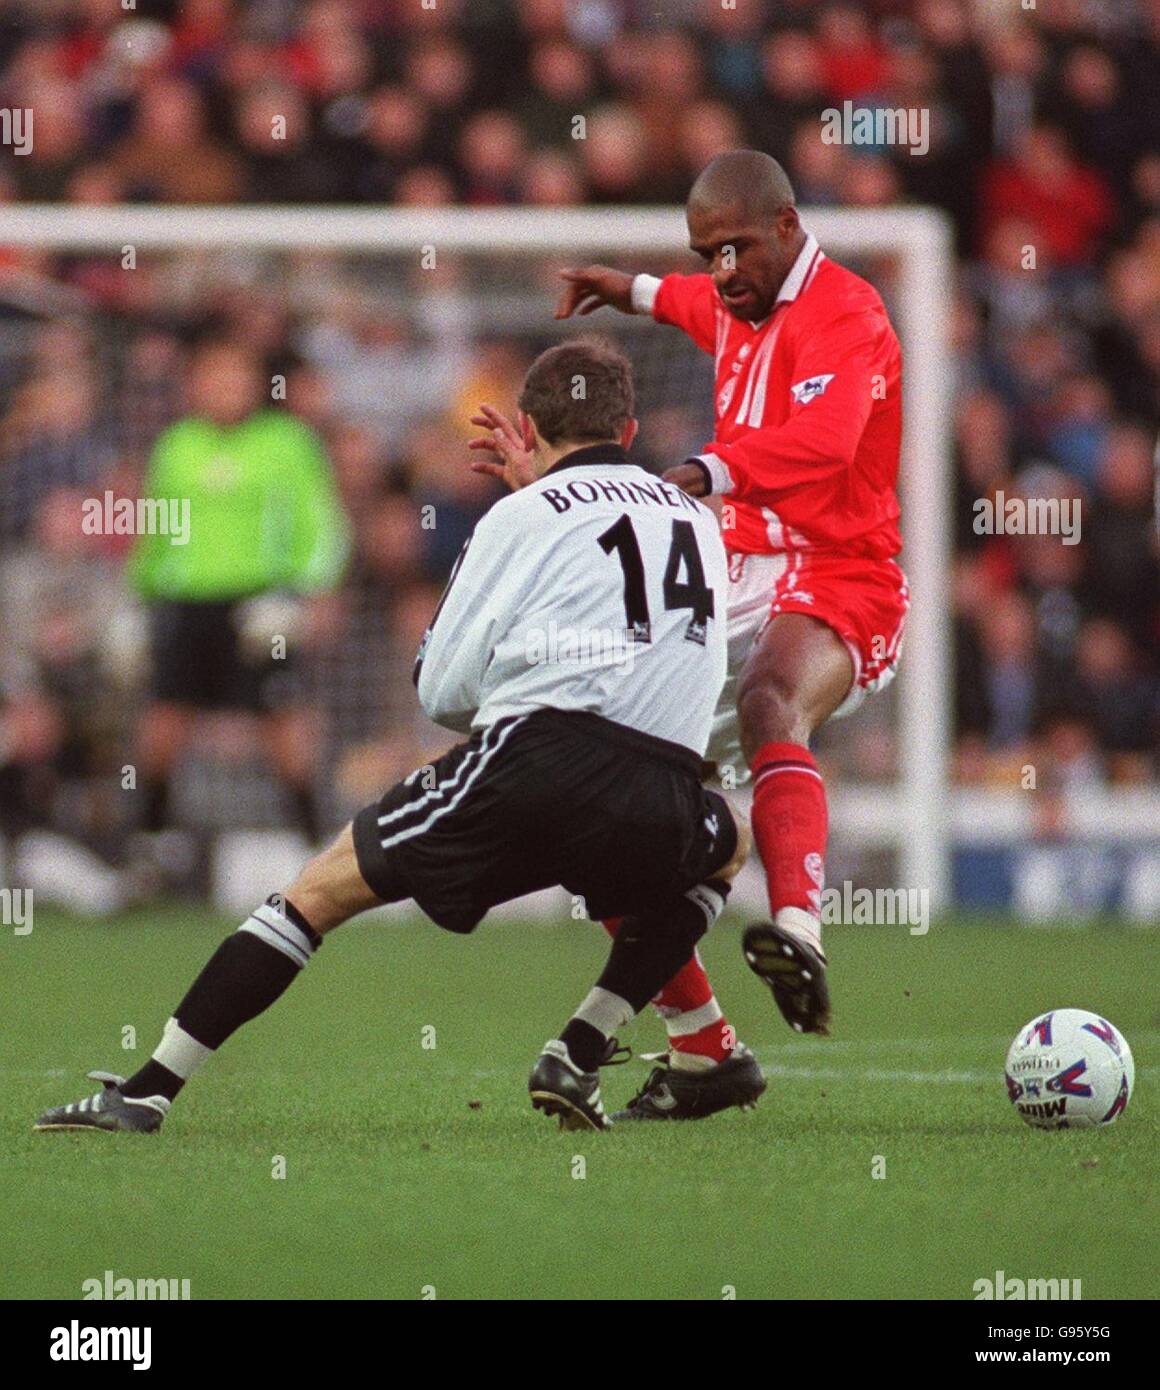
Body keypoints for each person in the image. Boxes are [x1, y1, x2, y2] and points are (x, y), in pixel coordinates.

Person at [34, 338, 752, 1137]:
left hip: (536, 764)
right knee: (726, 848)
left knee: (316, 895)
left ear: (526, 424)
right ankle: (582, 1041)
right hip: (664, 787)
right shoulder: (695, 516)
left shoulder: (517, 515)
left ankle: (147, 1088)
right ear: (633, 422)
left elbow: (441, 689)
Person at [555, 150, 908, 1116]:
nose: (721, 271)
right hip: (733, 578)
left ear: (788, 226)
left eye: (736, 248)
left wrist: (710, 471)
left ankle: (797, 924)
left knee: (769, 698)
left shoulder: (848, 315)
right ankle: (705, 1051)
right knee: (595, 792)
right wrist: (621, 287)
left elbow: (830, 444)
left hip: (842, 573)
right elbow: (683, 302)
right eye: (706, 252)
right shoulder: (731, 297)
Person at [128, 340, 350, 859]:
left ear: (256, 383)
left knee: (285, 725)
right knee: (162, 726)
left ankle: (317, 849)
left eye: (236, 376)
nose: (225, 388)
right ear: (194, 384)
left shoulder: (288, 442)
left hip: (261, 604)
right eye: (213, 376)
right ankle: (149, 849)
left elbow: (320, 524)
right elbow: (154, 531)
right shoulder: (176, 445)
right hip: (186, 605)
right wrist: (138, 599)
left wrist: (315, 592)